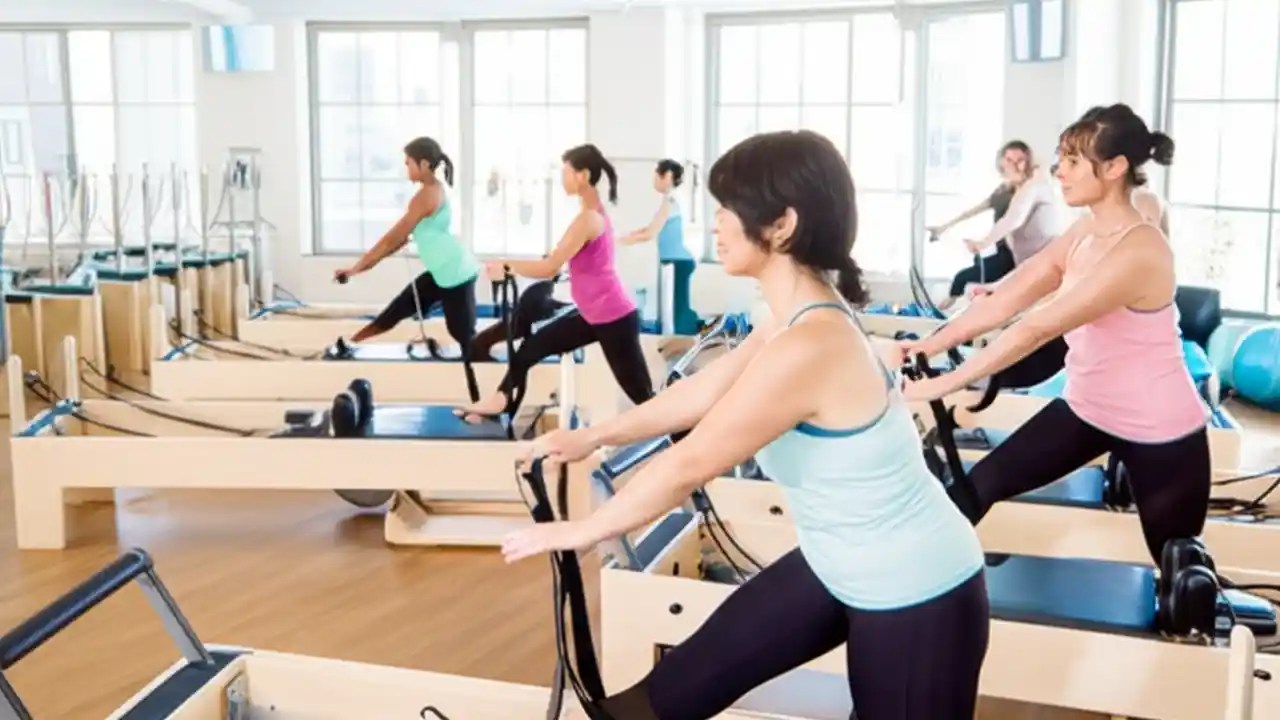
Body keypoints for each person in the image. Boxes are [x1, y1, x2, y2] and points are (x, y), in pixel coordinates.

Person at [502, 130, 990, 719]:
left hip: (918, 590)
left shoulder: (812, 344)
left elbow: (690, 462)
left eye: (727, 210)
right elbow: (702, 393)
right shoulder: (787, 318)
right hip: (835, 560)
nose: (716, 225)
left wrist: (585, 530)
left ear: (781, 225)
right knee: (657, 704)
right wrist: (593, 436)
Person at [900, 103, 1208, 565]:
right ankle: (905, 585)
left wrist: (944, 382)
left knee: (1178, 565)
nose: (1058, 171)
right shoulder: (1085, 231)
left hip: (1159, 429)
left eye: (1072, 160)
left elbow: (1039, 325)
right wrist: (929, 344)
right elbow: (1011, 296)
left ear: (1114, 167)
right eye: (1060, 158)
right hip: (1088, 409)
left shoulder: (1142, 248)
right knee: (978, 487)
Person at [455, 143, 653, 421]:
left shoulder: (589, 219)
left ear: (582, 175)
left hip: (613, 317)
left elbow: (549, 268)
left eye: (566, 172)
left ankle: (685, 438)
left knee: (642, 396)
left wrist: (508, 265)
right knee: (530, 348)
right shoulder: (591, 215)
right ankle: (499, 400)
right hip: (591, 314)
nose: (563, 178)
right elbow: (559, 260)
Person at [328, 137, 481, 358]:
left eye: (408, 162)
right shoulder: (433, 190)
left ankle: (491, 372)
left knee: (464, 336)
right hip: (443, 272)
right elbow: (398, 241)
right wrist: (357, 269)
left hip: (455, 273)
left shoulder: (426, 196)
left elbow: (391, 240)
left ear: (425, 164)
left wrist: (355, 269)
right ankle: (351, 343)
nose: (406, 168)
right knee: (400, 307)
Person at [929, 140, 1062, 310]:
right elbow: (974, 210)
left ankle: (941, 314)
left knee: (963, 278)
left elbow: (1014, 219)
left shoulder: (1032, 188)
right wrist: (943, 227)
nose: (1014, 165)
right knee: (975, 276)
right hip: (1010, 253)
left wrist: (984, 242)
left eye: (1019, 160)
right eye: (1009, 160)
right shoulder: (1003, 190)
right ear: (1001, 162)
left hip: (1022, 258)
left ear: (1028, 162)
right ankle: (943, 316)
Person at [623, 159, 701, 335]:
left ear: (667, 176)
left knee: (675, 311)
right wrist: (628, 236)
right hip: (676, 261)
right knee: (674, 309)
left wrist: (621, 241)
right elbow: (649, 229)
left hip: (677, 261)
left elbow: (650, 233)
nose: (654, 181)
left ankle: (683, 347)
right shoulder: (670, 201)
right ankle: (682, 343)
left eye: (657, 176)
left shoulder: (670, 202)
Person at [465, 276, 571, 362]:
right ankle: (478, 346)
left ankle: (478, 346)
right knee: (517, 327)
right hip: (547, 296)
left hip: (550, 296)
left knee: (518, 327)